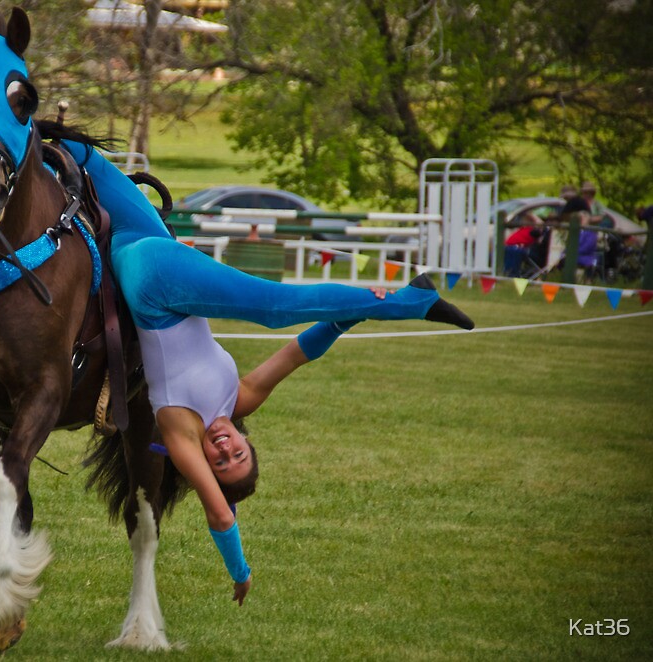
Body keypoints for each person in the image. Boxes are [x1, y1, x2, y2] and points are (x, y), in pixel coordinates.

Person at [58, 138, 474, 606]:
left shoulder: (181, 432)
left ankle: (413, 301)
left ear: (205, 466)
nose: (224, 448)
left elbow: (221, 515)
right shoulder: (238, 400)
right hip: (146, 238)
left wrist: (240, 572)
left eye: (220, 462)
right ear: (245, 439)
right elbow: (296, 355)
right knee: (78, 153)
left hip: (154, 284)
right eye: (238, 452)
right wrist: (344, 318)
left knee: (275, 307)